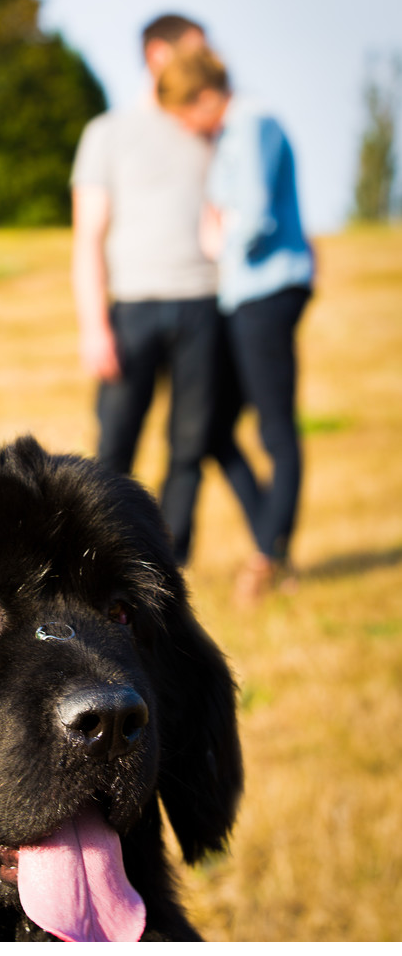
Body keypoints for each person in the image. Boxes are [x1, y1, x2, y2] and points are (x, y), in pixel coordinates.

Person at [157, 47, 314, 601]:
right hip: (243, 295)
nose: (185, 127)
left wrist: (216, 236)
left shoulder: (252, 122)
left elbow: (253, 212)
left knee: (275, 427)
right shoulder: (232, 131)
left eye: (183, 114)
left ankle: (269, 554)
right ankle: (270, 544)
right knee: (216, 427)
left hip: (267, 291)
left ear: (204, 98)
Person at [71, 14, 218, 566]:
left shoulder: (208, 126)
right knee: (113, 451)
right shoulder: (107, 134)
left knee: (190, 446)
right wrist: (93, 326)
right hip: (132, 309)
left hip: (204, 304)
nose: (211, 62)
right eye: (195, 51)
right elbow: (89, 236)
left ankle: (169, 573)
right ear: (159, 55)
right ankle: (97, 564)